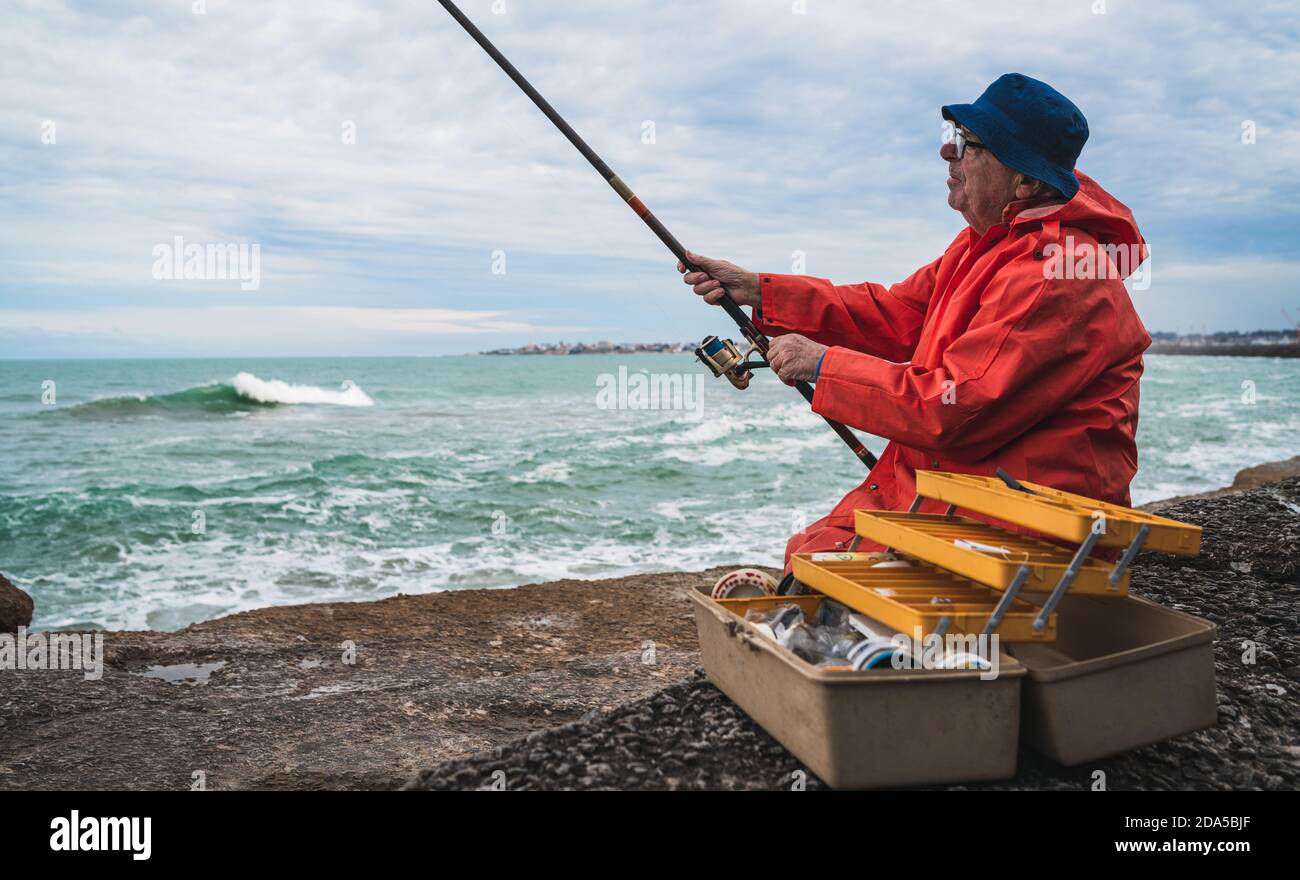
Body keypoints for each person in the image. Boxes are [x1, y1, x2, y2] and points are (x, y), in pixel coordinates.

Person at [679, 73, 1150, 568]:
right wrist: (759, 289)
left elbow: (952, 408)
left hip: (1027, 527)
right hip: (970, 497)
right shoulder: (987, 245)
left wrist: (821, 365)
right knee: (810, 555)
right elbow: (895, 316)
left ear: (1026, 180)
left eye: (967, 144)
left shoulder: (1056, 272)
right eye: (953, 139)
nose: (947, 154)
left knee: (818, 572)